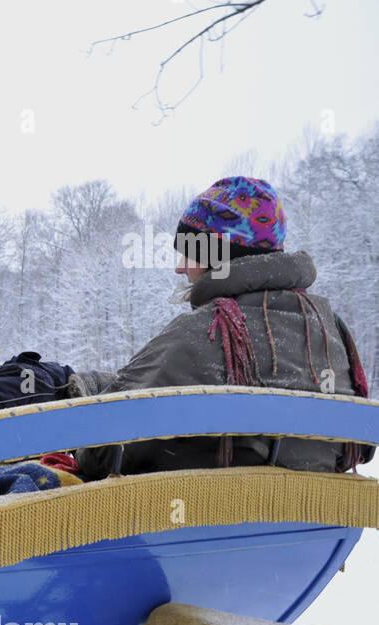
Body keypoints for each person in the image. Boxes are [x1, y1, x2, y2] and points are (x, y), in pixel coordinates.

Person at [77, 176, 369, 479]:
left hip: (205, 522)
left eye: (188, 250)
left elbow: (100, 451)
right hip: (320, 522)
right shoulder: (331, 328)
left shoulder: (210, 331)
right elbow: (361, 447)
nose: (180, 266)